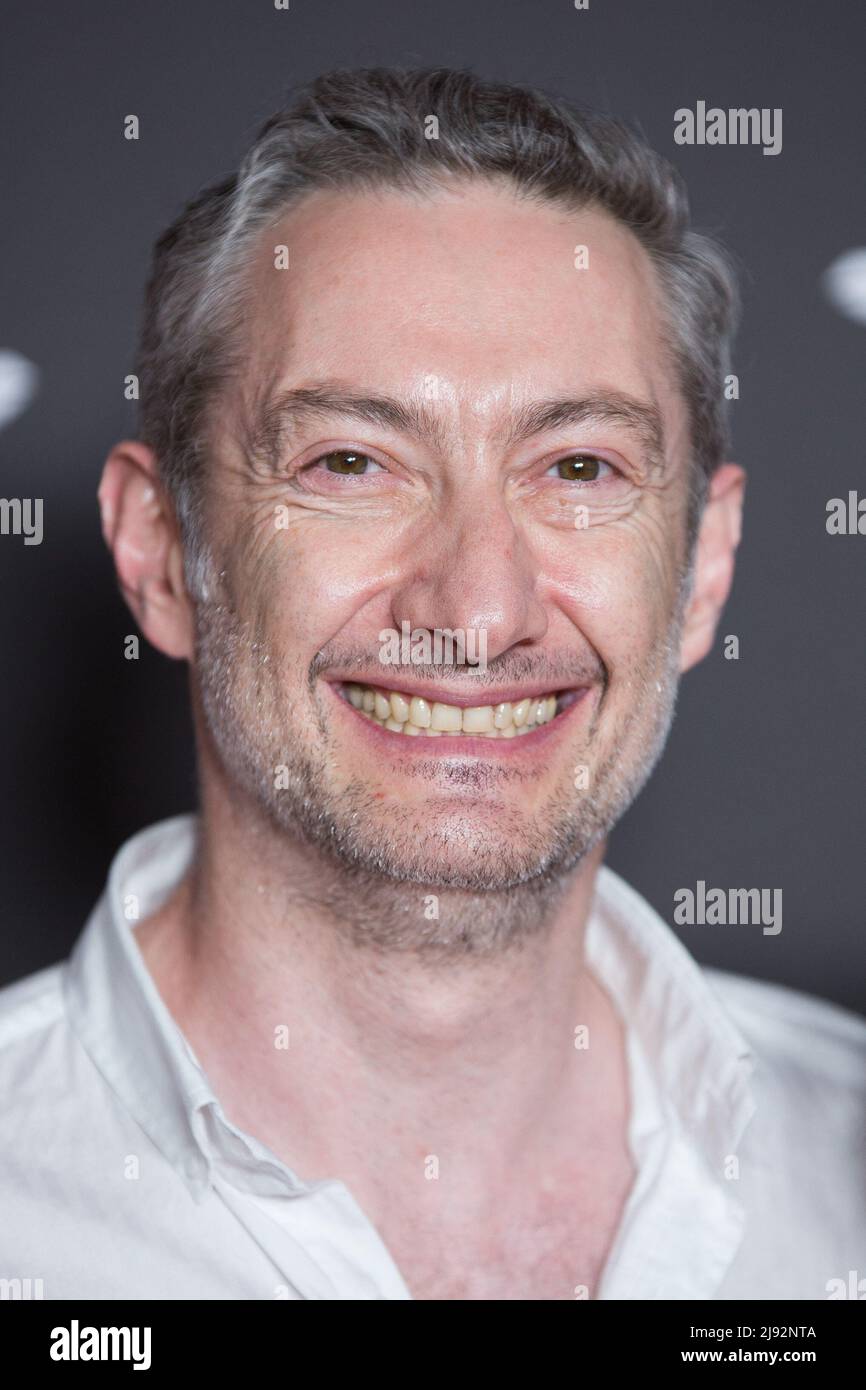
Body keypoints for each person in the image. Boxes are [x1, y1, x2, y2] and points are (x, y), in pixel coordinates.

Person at [1, 66, 863, 1302]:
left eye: (577, 467)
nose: (476, 610)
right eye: (352, 460)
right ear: (159, 554)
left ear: (702, 567)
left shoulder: (847, 1172)